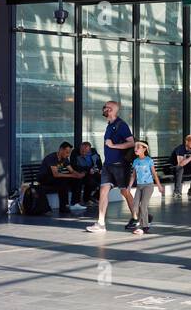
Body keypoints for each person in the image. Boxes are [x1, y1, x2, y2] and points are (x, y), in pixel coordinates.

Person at [87, 101, 136, 234]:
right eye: (104, 107)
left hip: (120, 166)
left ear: (112, 110)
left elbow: (131, 143)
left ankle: (137, 217)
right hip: (108, 165)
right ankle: (101, 223)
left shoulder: (121, 125)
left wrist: (114, 146)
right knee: (103, 191)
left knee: (124, 192)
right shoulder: (109, 126)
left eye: (106, 108)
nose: (103, 109)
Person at [37, 142, 86, 215]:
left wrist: (78, 175)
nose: (68, 155)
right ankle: (63, 207)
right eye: (67, 152)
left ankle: (73, 203)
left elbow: (71, 170)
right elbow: (56, 174)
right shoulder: (52, 158)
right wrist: (72, 176)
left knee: (76, 180)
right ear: (61, 150)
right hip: (45, 179)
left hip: (55, 179)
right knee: (63, 183)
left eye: (69, 153)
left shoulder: (65, 159)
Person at [128, 141, 163, 235]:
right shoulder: (135, 161)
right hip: (139, 186)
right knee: (135, 205)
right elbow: (133, 175)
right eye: (135, 147)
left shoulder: (149, 160)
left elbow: (154, 174)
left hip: (148, 186)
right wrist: (129, 186)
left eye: (138, 147)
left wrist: (159, 185)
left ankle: (145, 227)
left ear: (144, 149)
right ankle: (146, 218)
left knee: (143, 205)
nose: (136, 149)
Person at [69, 140, 101, 205]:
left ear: (89, 150)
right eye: (82, 151)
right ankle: (86, 199)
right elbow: (74, 166)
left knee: (107, 180)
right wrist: (88, 169)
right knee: (91, 182)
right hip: (83, 172)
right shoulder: (75, 152)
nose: (83, 153)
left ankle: (95, 197)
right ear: (80, 148)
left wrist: (100, 169)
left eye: (86, 152)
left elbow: (99, 162)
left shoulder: (94, 152)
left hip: (94, 171)